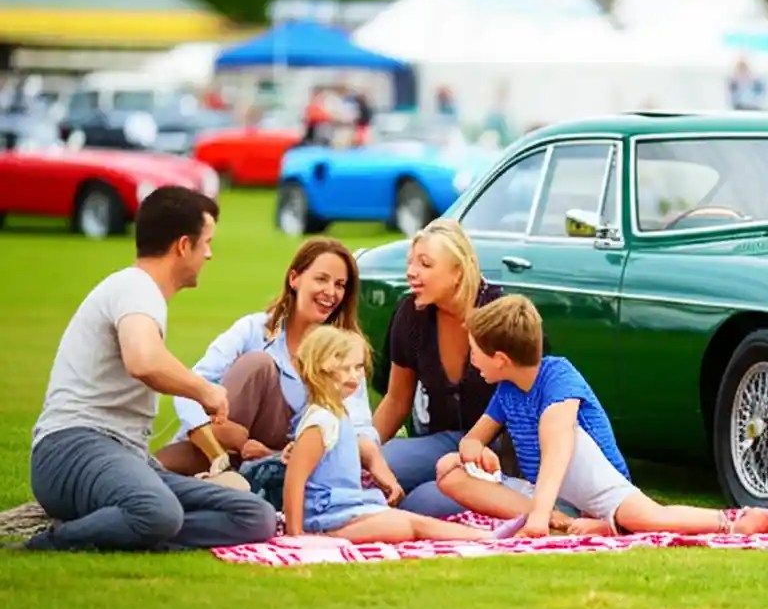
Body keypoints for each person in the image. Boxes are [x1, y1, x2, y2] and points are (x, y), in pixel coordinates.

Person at [24, 187, 278, 551]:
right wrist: (204, 390)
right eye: (206, 242)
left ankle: (131, 529)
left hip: (127, 456)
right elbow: (143, 361)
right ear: (183, 245)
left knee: (256, 515)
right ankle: (50, 543)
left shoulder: (143, 294)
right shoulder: (135, 288)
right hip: (72, 448)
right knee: (157, 511)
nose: (210, 253)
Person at [436, 295, 768, 538]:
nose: (472, 360)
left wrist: (538, 518)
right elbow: (473, 438)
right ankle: (563, 521)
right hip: (550, 495)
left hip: (596, 488)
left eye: (475, 352)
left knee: (649, 517)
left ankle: (733, 523)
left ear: (500, 358)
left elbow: (558, 451)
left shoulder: (558, 378)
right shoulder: (508, 389)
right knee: (449, 468)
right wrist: (475, 449)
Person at [154, 238, 378, 479]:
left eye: (340, 285)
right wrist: (222, 438)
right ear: (295, 279)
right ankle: (214, 468)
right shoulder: (254, 329)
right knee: (257, 365)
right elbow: (191, 384)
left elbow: (359, 424)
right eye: (321, 279)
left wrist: (374, 460)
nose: (331, 292)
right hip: (221, 447)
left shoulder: (345, 352)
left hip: (284, 461)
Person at [284, 326, 522, 541]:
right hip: (329, 519)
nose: (355, 376)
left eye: (358, 368)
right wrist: (296, 534)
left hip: (347, 510)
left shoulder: (338, 413)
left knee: (408, 522)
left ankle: (486, 536)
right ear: (322, 370)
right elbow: (295, 478)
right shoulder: (320, 421)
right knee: (407, 525)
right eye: (346, 369)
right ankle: (486, 537)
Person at [372, 219, 542, 519]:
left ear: (457, 272)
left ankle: (522, 502)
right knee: (379, 466)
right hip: (445, 441)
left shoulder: (496, 313)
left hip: (498, 451)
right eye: (410, 262)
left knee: (421, 502)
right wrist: (362, 452)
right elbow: (397, 400)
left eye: (425, 264)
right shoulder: (411, 314)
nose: (411, 272)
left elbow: (532, 400)